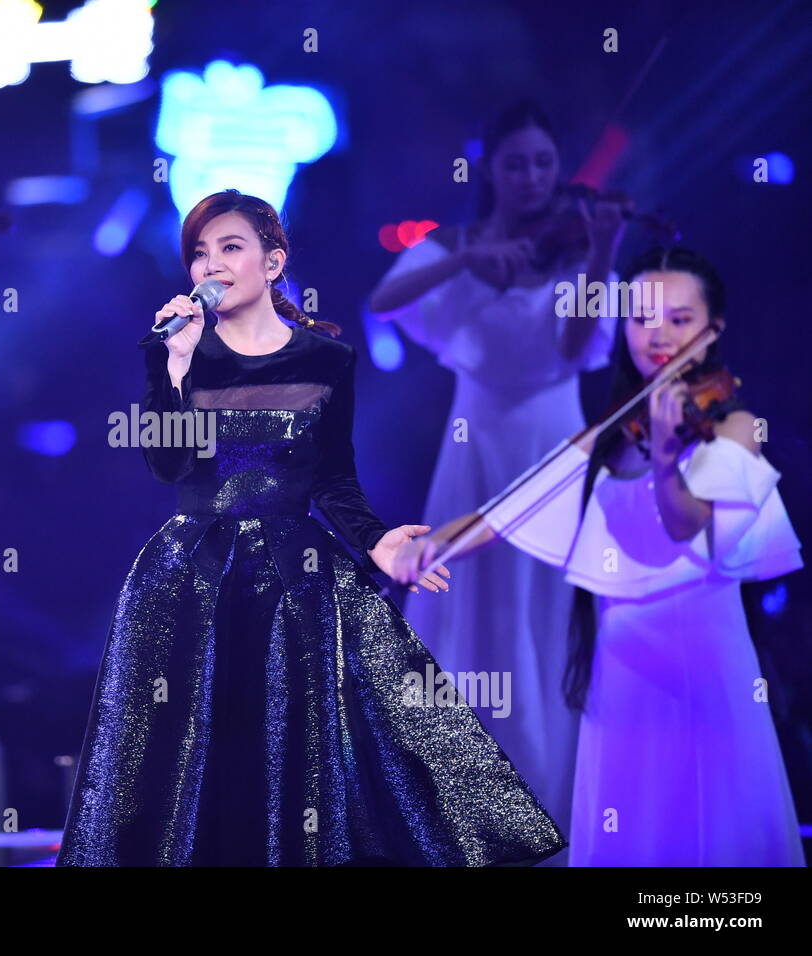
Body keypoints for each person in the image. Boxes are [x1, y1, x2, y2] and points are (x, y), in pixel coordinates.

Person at [56, 189, 567, 866]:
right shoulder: (179, 352)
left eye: (230, 248)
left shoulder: (327, 360)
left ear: (273, 261)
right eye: (199, 253)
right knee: (183, 769)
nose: (211, 264)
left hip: (293, 579)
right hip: (190, 578)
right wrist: (173, 365)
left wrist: (376, 540)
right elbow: (167, 464)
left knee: (314, 754)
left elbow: (333, 478)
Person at [392, 247, 805, 866]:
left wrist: (667, 462)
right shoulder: (611, 432)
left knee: (710, 831)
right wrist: (431, 544)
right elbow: (511, 508)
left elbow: (686, 523)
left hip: (703, 661)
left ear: (713, 330)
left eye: (680, 320)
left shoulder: (735, 425)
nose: (658, 335)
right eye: (642, 319)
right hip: (621, 668)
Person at [367, 100, 628, 846]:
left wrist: (604, 252)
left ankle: (560, 803)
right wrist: (463, 260)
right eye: (516, 163)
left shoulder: (577, 245)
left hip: (554, 443)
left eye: (545, 163)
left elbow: (580, 348)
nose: (533, 178)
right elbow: (383, 301)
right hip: (475, 444)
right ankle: (465, 810)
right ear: (491, 169)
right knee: (472, 603)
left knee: (550, 607)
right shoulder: (457, 244)